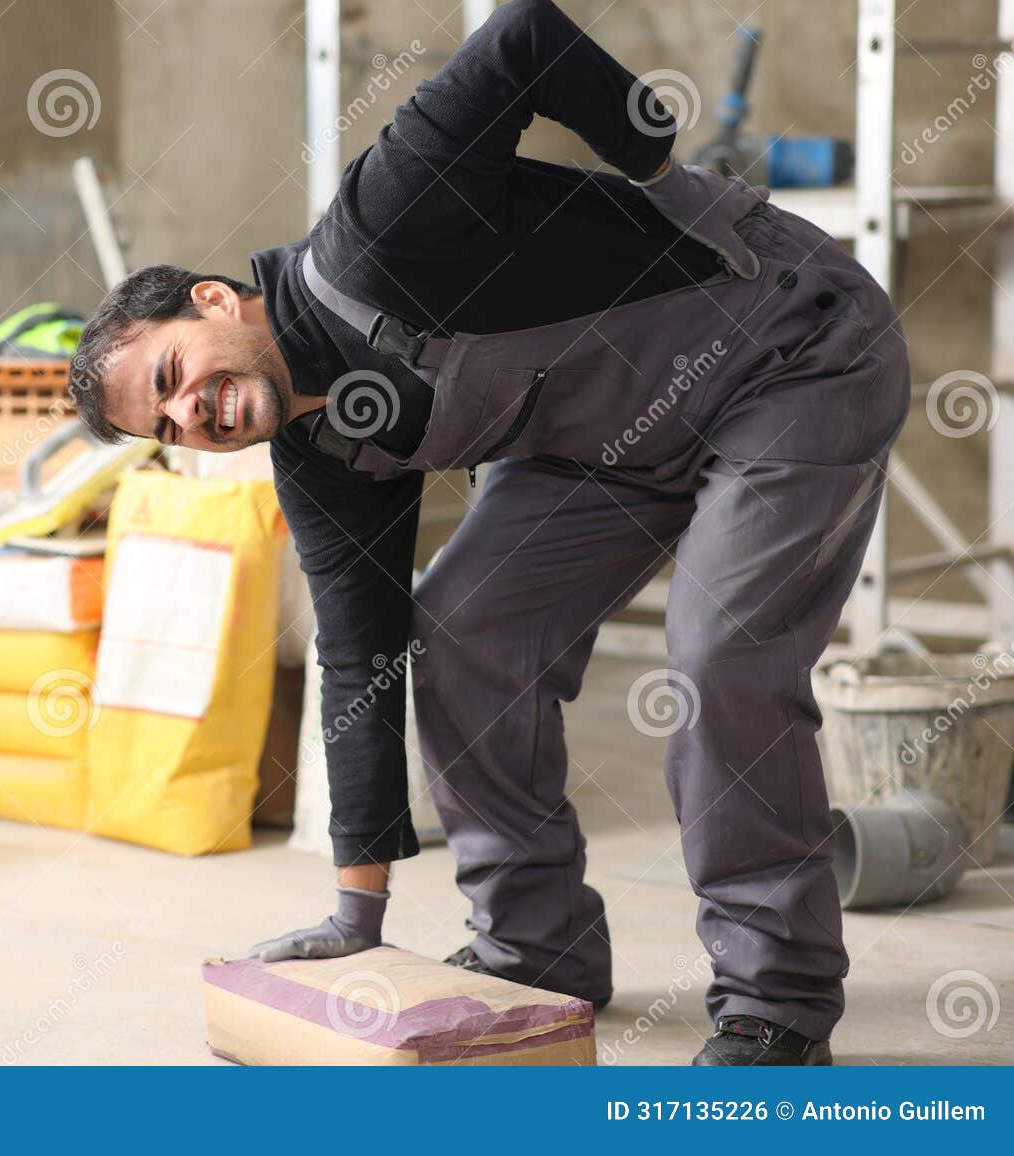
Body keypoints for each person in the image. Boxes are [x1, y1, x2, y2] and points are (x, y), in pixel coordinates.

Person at [69, 0, 909, 1066]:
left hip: (791, 349)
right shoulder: (321, 451)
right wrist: (354, 906)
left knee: (719, 645)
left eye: (176, 376)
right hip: (615, 448)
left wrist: (663, 172)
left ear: (214, 301)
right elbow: (357, 656)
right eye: (170, 423)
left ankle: (774, 1003)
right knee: (461, 631)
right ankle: (534, 947)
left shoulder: (382, 223)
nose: (196, 414)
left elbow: (522, 36)